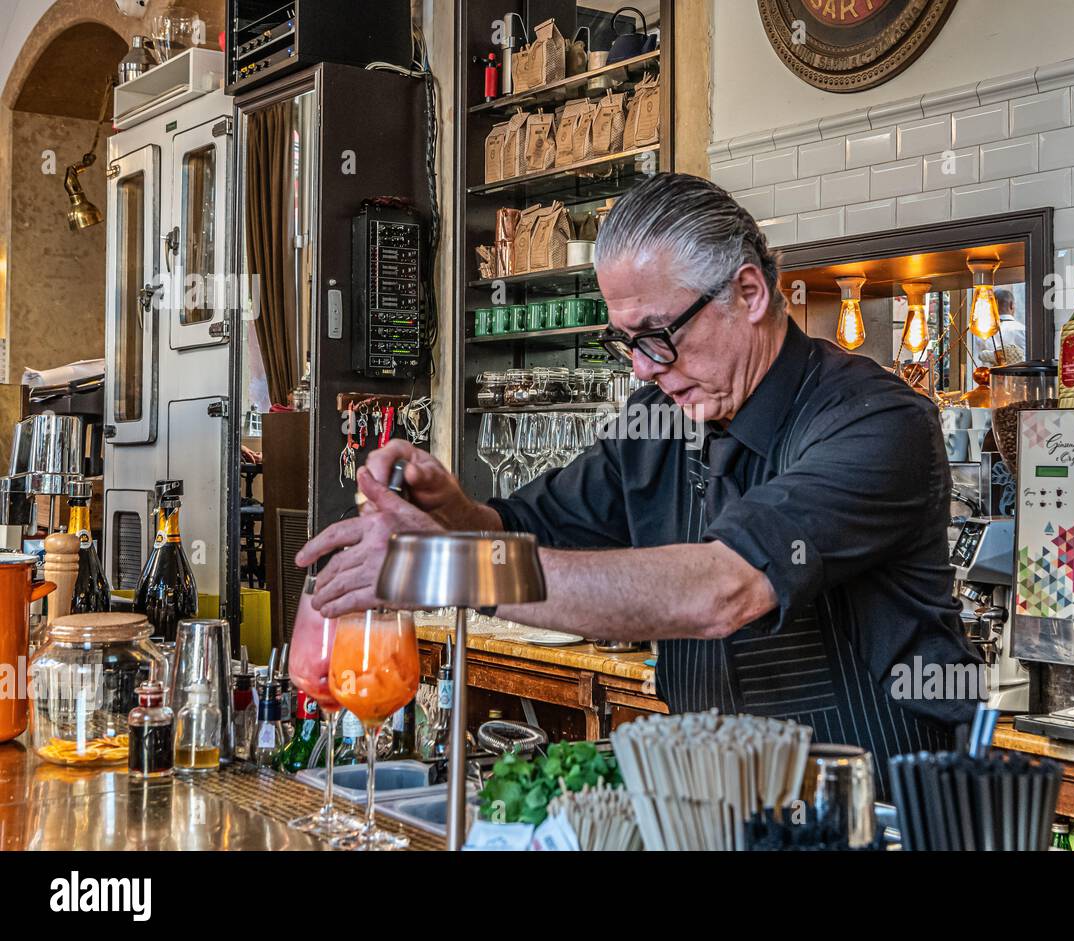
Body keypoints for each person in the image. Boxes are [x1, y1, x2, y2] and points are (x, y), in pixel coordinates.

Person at [297, 173, 980, 787]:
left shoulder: (876, 421)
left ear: (748, 291)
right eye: (626, 342)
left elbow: (722, 588)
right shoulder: (658, 418)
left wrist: (448, 567)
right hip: (716, 806)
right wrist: (454, 516)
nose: (643, 368)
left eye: (658, 334)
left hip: (881, 809)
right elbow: (531, 535)